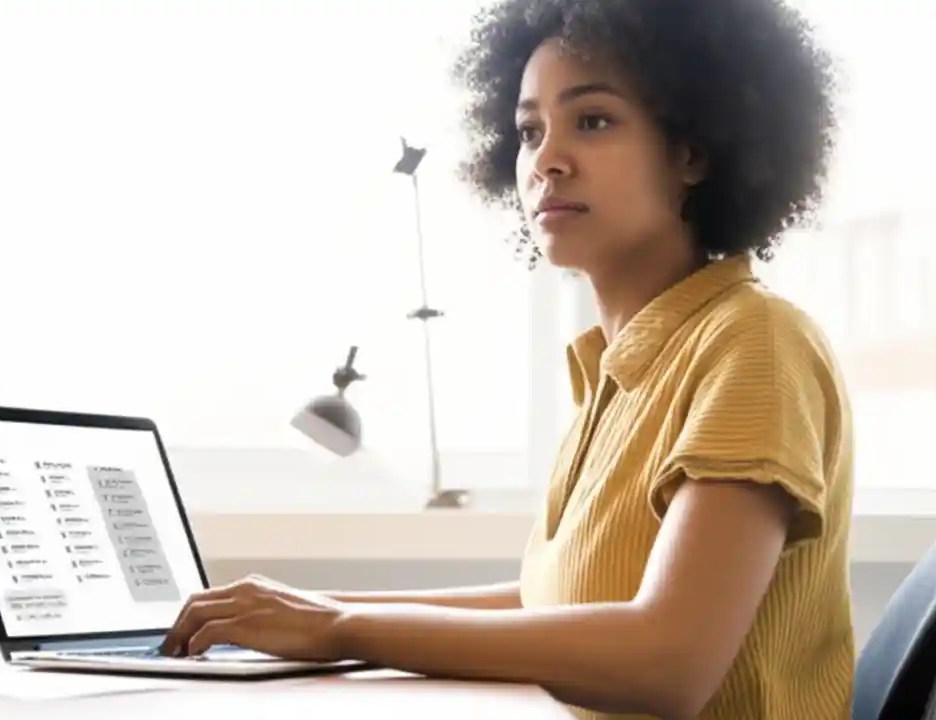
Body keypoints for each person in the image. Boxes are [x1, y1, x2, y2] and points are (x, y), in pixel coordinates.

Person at [160, 0, 851, 717]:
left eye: (592, 121)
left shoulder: (755, 344)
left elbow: (667, 660)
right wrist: (304, 612)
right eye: (528, 131)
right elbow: (550, 602)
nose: (547, 160)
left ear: (693, 151)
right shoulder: (618, 373)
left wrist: (340, 626)